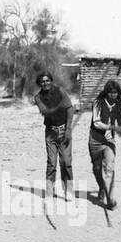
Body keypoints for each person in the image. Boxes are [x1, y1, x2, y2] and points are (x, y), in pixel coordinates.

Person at [33, 71, 74, 200]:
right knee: (52, 163)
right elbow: (46, 111)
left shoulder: (60, 91)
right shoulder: (38, 97)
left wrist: (68, 129)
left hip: (64, 131)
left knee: (66, 162)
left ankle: (68, 191)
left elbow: (70, 109)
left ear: (51, 81)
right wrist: (61, 105)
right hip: (50, 133)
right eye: (42, 81)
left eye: (47, 80)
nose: (45, 83)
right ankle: (50, 192)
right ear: (40, 84)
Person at [88, 80, 121, 209]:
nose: (113, 95)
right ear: (106, 92)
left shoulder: (119, 105)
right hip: (95, 140)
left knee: (109, 169)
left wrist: (120, 130)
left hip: (110, 141)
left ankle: (110, 200)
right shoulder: (98, 103)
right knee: (97, 169)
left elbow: (120, 123)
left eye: (115, 93)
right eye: (111, 93)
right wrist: (112, 127)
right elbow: (96, 122)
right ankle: (102, 188)